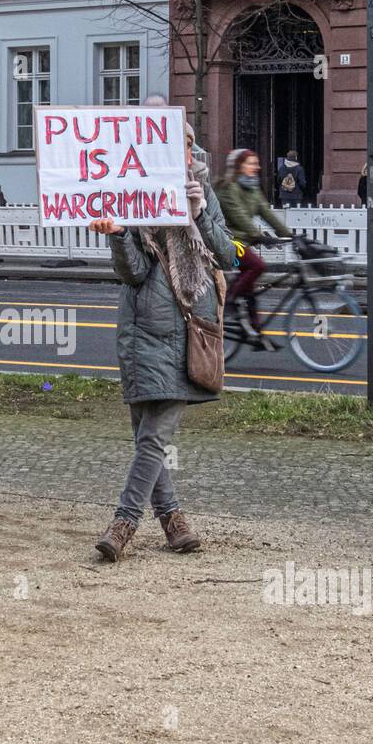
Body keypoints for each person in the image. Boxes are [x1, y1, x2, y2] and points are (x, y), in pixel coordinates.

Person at [87, 124, 237, 562]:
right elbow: (132, 272)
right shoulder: (133, 194)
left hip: (191, 328)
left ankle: (124, 522)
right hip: (141, 331)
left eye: (188, 144)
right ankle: (174, 521)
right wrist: (117, 235)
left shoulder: (201, 190)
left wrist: (199, 211)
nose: (183, 152)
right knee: (145, 435)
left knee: (155, 437)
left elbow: (228, 255)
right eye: (173, 145)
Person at [214, 147, 293, 350]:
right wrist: (257, 235)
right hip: (228, 243)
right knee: (257, 266)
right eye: (251, 163)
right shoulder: (228, 188)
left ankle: (257, 335)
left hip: (243, 243)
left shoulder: (252, 189)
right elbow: (239, 216)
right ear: (239, 166)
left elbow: (266, 213)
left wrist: (289, 235)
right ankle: (230, 299)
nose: (256, 167)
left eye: (256, 163)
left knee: (250, 292)